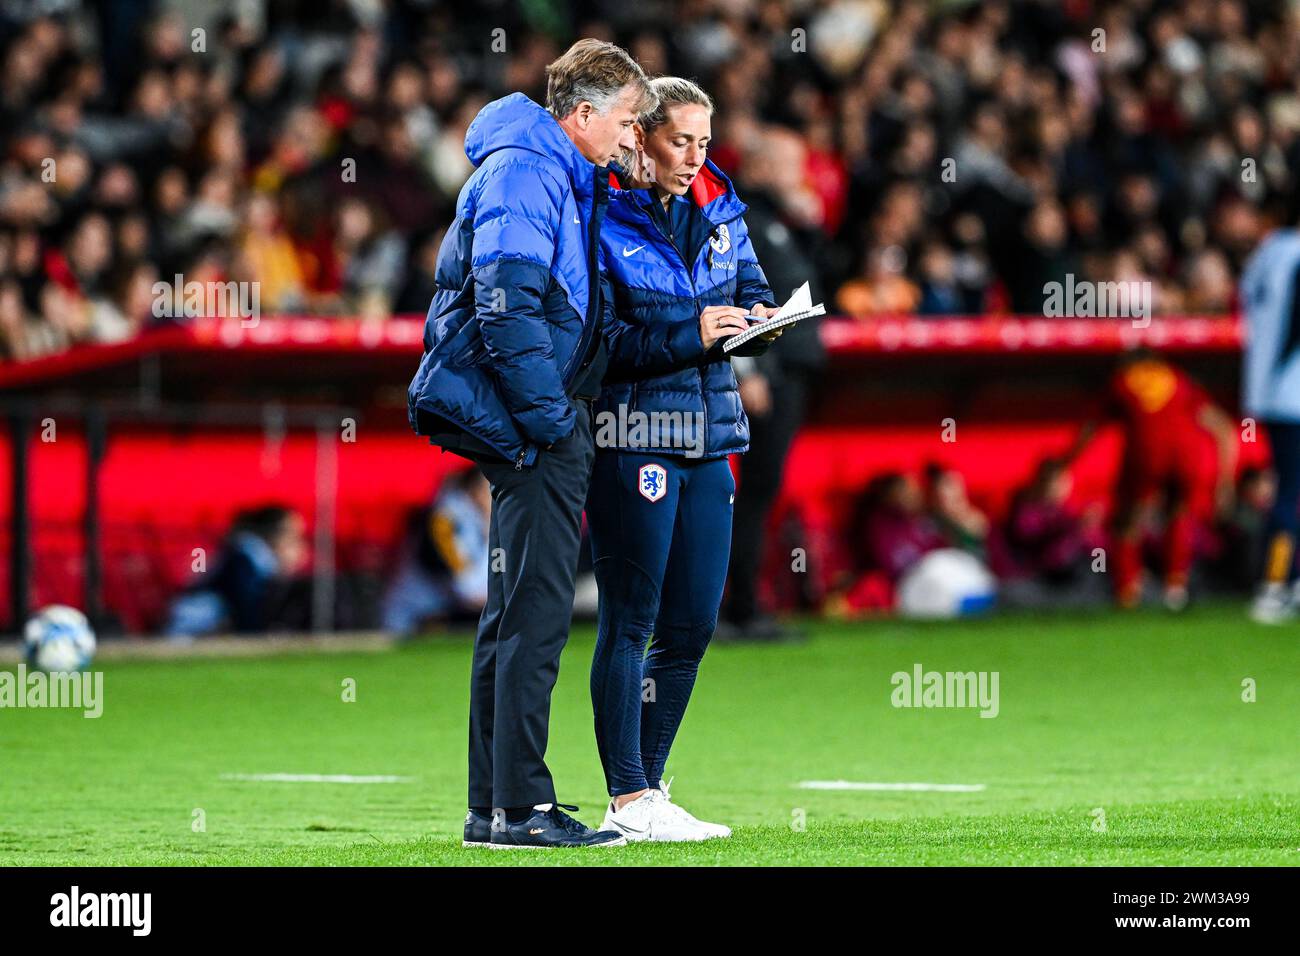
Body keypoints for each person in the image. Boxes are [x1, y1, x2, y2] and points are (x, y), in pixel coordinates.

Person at [406, 42, 746, 850]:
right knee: (535, 618)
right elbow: (508, 306)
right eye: (630, 121)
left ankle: (493, 808)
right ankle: (520, 808)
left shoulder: (551, 168)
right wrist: (552, 419)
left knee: (515, 615)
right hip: (537, 421)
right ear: (583, 115)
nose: (636, 137)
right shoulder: (528, 172)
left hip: (532, 415)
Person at [586, 77, 780, 841]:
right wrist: (691, 336)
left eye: (704, 142)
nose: (695, 157)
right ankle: (626, 799)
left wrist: (764, 317)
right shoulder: (602, 215)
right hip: (634, 438)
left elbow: (753, 286)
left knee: (693, 624)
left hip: (712, 435)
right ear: (641, 137)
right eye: (679, 141)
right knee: (630, 621)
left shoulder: (720, 207)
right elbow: (597, 346)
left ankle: (652, 787)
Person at [1070, 351, 1238, 610]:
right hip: (1187, 455)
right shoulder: (1179, 380)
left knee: (1128, 522)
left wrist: (1068, 460)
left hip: (1146, 453)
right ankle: (1175, 590)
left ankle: (1127, 591)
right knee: (1177, 513)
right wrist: (1226, 480)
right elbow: (1223, 427)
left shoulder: (1123, 380)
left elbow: (1091, 426)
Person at [1240, 223, 1300, 623]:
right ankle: (1275, 585)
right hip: (1292, 386)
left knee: (1287, 489)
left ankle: (1286, 581)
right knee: (1289, 492)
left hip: (1274, 392)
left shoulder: (1270, 250)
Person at [380, 468, 491, 634]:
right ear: (476, 490)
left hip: (450, 616)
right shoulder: (444, 520)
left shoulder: (479, 520)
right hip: (413, 620)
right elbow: (470, 591)